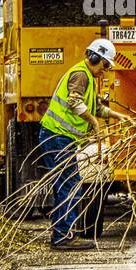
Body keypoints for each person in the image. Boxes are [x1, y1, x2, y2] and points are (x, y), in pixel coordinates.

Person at [37, 37, 128, 249]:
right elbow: (74, 102)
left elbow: (96, 107)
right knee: (69, 185)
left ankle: (61, 234)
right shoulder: (80, 75)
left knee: (66, 185)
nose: (105, 70)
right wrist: (93, 123)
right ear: (95, 57)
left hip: (60, 138)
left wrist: (117, 116)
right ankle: (63, 237)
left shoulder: (87, 77)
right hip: (56, 137)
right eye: (105, 65)